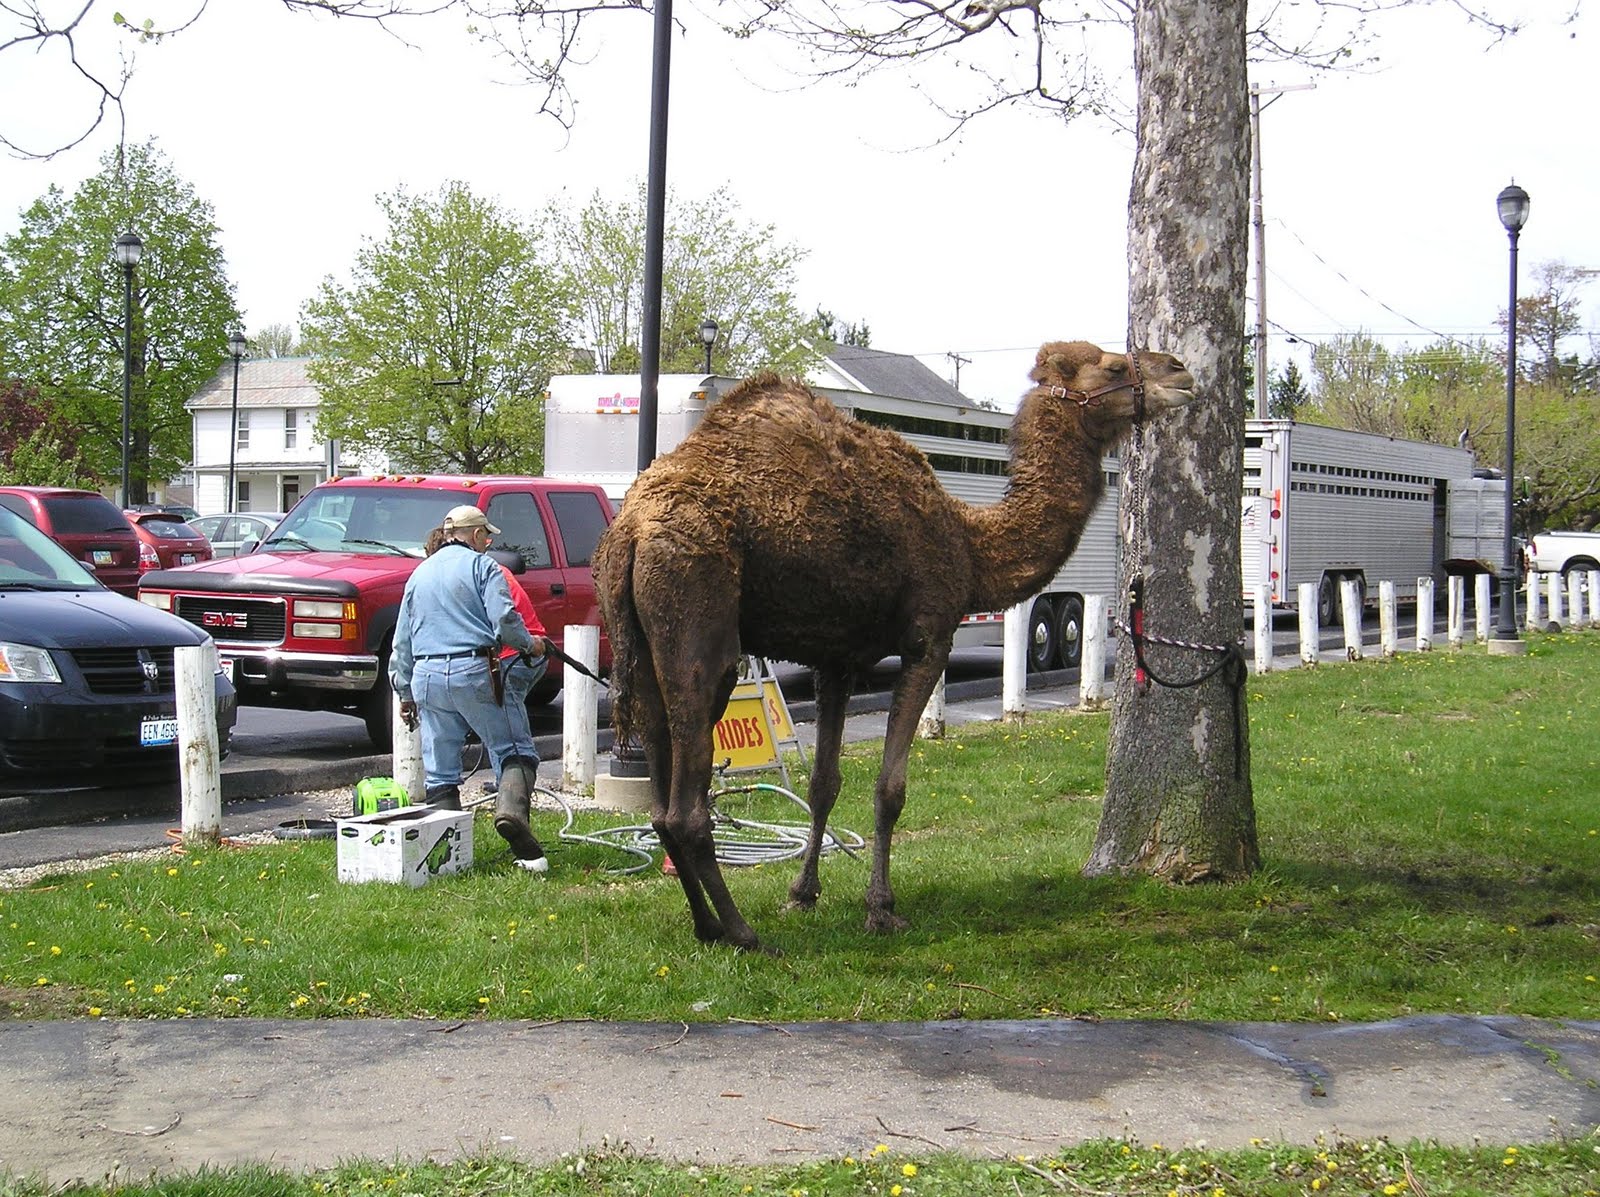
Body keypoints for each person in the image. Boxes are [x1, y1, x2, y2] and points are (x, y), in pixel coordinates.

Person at [390, 505, 549, 869]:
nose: (487, 542)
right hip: (474, 669)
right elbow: (506, 620)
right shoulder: (484, 567)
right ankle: (514, 822)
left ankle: (443, 860)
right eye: (485, 536)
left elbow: (402, 642)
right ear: (475, 535)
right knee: (516, 752)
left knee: (441, 771)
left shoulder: (418, 574)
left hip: (427, 677)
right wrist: (530, 645)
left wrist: (404, 692)